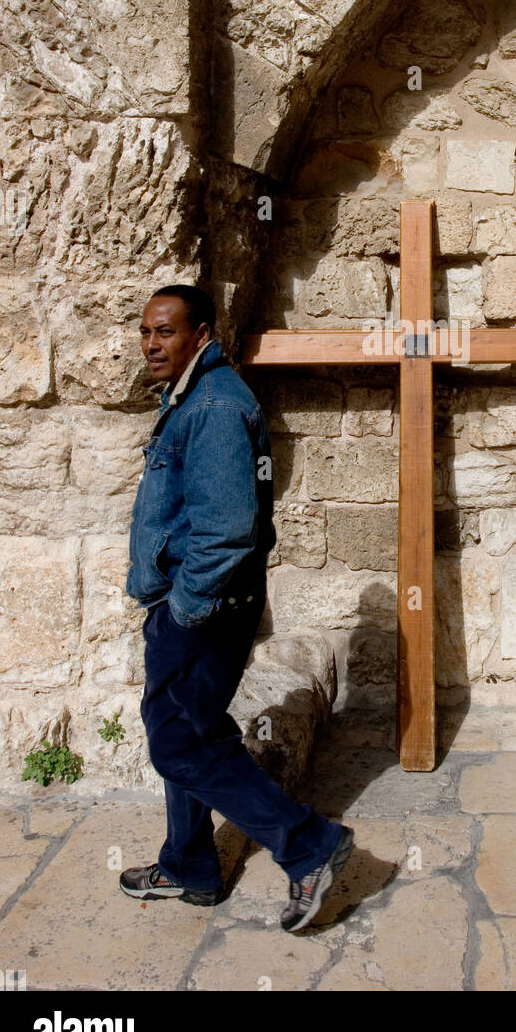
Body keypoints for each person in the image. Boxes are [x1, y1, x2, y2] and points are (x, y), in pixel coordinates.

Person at [120, 284, 353, 932]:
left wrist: (183, 610)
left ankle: (309, 845)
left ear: (200, 334)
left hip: (205, 607)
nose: (152, 344)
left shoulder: (216, 406)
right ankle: (191, 864)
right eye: (146, 332)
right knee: (186, 729)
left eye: (166, 331)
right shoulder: (193, 395)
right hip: (194, 602)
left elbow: (227, 531)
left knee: (178, 743)